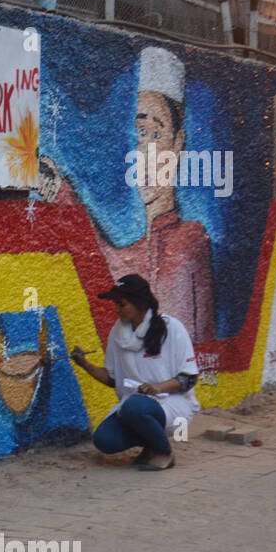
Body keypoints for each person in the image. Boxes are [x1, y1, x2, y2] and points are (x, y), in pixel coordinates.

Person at [47, 47, 217, 343]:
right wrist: (60, 190)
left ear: (178, 143)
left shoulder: (191, 243)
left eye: (156, 134)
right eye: (139, 132)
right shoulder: (125, 252)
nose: (145, 151)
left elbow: (202, 349)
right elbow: (93, 247)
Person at [70, 274, 200, 471]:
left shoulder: (171, 328)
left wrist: (158, 387)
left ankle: (164, 453)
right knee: (104, 440)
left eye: (122, 304)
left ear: (139, 303)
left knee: (134, 407)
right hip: (136, 405)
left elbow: (188, 379)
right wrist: (84, 364)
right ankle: (151, 443)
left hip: (172, 402)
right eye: (116, 304)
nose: (116, 309)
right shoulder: (118, 333)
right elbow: (112, 379)